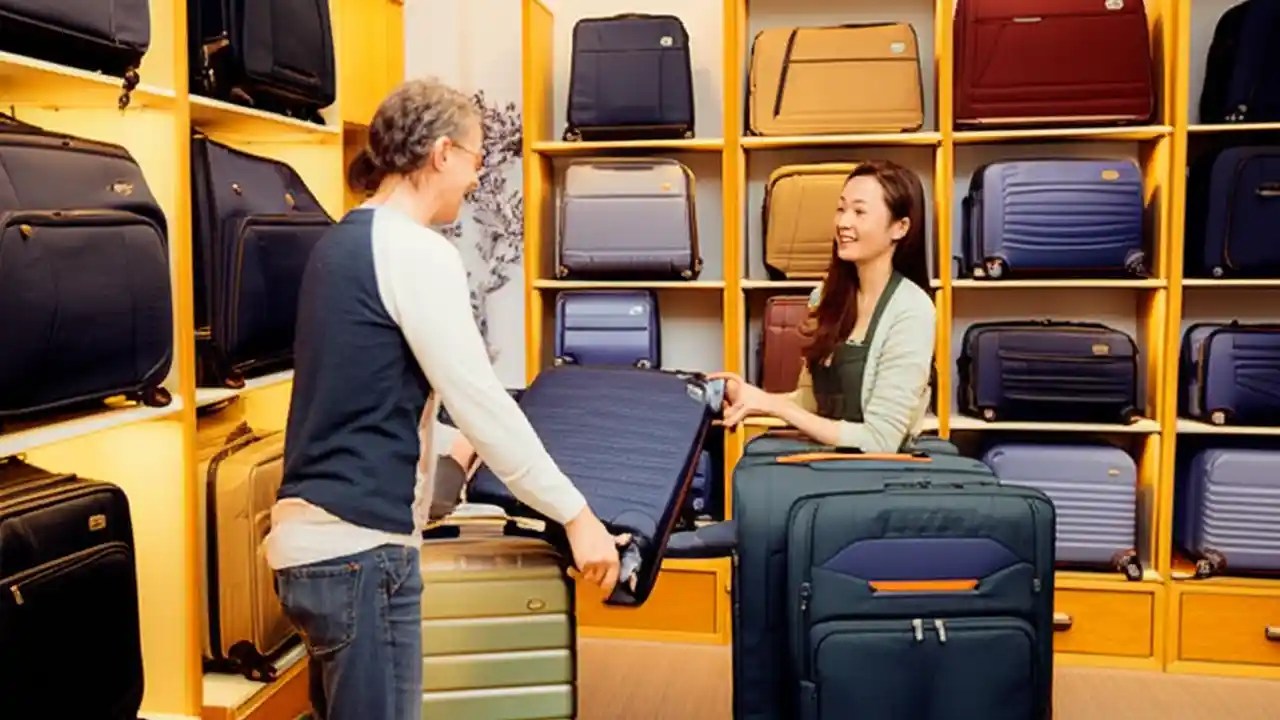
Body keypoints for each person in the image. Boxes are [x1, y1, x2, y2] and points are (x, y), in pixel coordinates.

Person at [262, 78, 629, 720]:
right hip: (362, 557)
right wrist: (577, 517)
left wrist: (448, 456)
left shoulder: (342, 240)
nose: (477, 177)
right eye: (476, 159)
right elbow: (481, 400)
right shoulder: (416, 253)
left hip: (311, 549)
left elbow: (372, 395)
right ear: (441, 153)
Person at [713, 160, 936, 452]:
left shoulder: (913, 310)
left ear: (900, 227)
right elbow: (810, 403)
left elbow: (880, 442)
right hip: (826, 464)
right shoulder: (826, 295)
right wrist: (749, 397)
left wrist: (774, 407)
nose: (843, 223)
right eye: (841, 209)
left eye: (859, 211)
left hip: (880, 478)